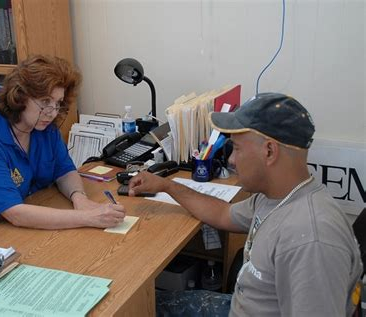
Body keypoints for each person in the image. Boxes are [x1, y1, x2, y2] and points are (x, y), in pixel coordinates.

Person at [129, 93, 363, 316]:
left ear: (269, 151)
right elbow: (223, 213)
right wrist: (167, 186)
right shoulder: (276, 196)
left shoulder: (311, 240)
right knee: (144, 307)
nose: (230, 160)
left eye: (237, 149)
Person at [0, 55, 125, 239]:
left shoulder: (43, 129)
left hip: (13, 229)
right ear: (20, 97)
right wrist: (89, 217)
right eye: (45, 102)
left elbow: (65, 171)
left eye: (58, 103)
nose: (52, 113)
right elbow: (15, 213)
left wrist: (80, 198)